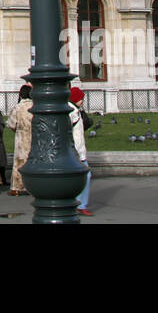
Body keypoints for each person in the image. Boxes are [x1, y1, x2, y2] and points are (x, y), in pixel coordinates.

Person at [69, 86, 92, 217]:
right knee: (86, 175)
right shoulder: (71, 111)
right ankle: (81, 204)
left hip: (78, 150)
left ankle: (79, 203)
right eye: (81, 98)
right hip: (76, 150)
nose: (82, 101)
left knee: (83, 176)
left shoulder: (75, 110)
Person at [7, 84, 34, 196]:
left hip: (21, 138)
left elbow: (11, 124)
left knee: (19, 162)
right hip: (34, 138)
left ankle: (17, 187)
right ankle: (32, 186)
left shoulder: (17, 108)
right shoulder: (35, 106)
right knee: (32, 161)